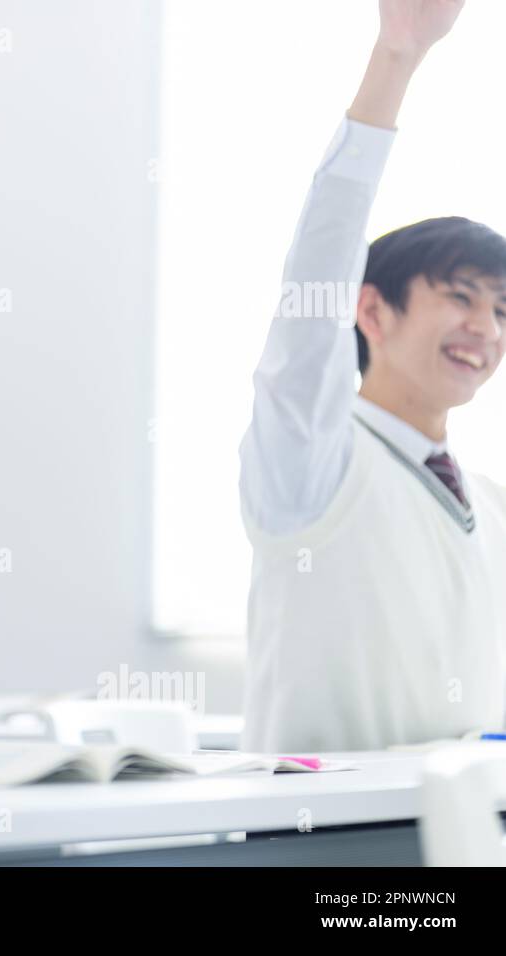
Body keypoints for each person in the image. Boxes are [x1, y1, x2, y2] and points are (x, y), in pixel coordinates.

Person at [239, 0, 506, 751]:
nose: (484, 329)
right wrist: (397, 57)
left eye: (501, 310)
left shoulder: (488, 503)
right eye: (459, 296)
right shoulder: (311, 459)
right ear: (372, 311)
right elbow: (318, 265)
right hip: (320, 848)